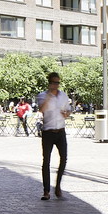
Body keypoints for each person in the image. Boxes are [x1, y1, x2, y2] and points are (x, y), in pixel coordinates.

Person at [36, 71, 71, 200]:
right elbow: (41, 109)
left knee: (64, 158)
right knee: (46, 161)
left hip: (60, 130)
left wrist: (67, 113)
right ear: (50, 83)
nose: (56, 85)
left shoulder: (63, 96)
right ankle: (46, 190)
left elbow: (68, 109)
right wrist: (49, 96)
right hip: (48, 131)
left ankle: (58, 186)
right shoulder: (42, 96)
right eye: (54, 83)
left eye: (58, 83)